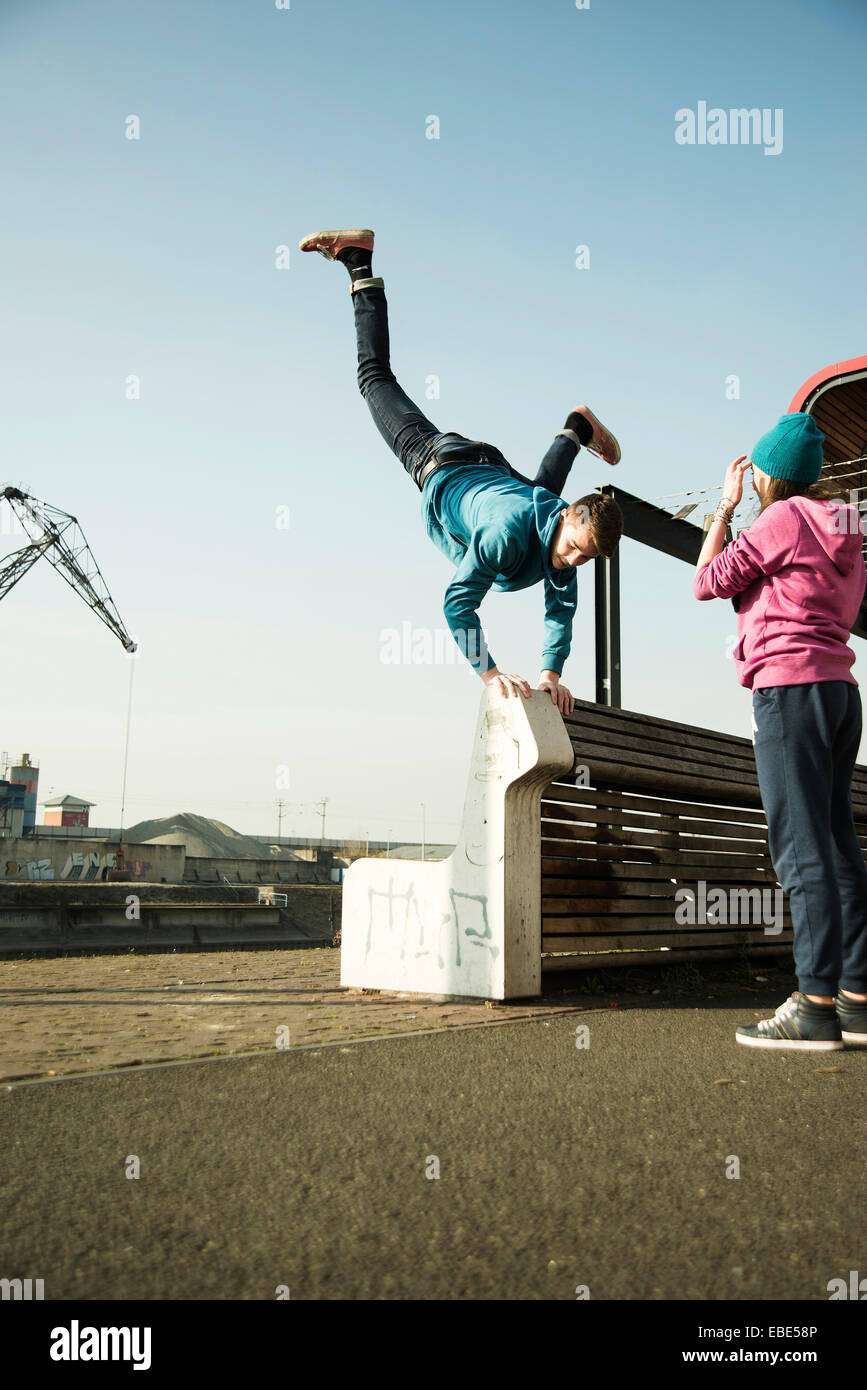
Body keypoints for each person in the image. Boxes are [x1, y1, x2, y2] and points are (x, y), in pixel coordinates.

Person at [299, 228, 623, 715]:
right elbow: (457, 604)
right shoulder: (506, 535)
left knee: (538, 491)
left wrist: (550, 676)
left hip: (499, 476)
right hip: (440, 460)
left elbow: (561, 615)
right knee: (373, 378)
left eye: (585, 558)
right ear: (570, 518)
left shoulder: (566, 538)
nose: (573, 562)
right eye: (576, 549)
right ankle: (359, 266)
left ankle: (575, 428)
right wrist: (491, 676)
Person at [694, 413, 867, 1050]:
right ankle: (856, 999)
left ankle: (813, 1006)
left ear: (768, 474)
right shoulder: (847, 533)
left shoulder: (782, 518)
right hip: (839, 692)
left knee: (801, 850)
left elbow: (706, 582)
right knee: (837, 843)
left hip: (789, 690)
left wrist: (723, 509)